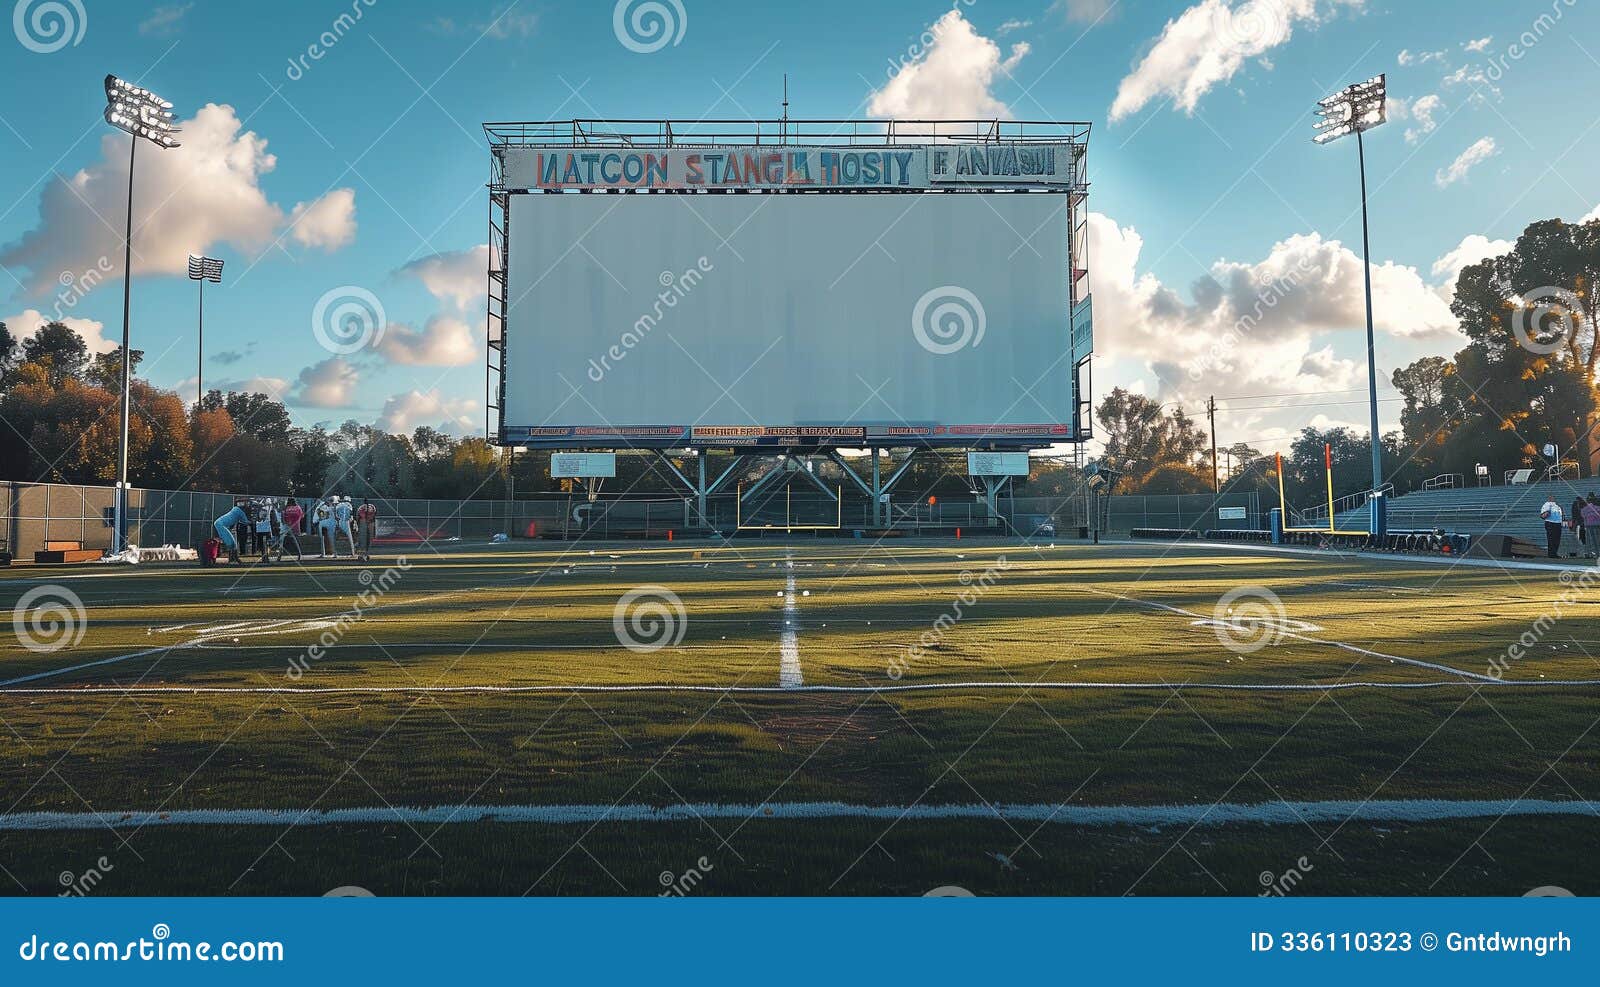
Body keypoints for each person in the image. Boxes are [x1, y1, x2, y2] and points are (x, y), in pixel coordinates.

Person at [213, 500, 250, 565]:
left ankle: (234, 559)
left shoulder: (235, 509)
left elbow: (239, 520)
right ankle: (233, 559)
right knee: (231, 542)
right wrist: (254, 522)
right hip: (221, 525)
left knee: (233, 543)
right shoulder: (241, 512)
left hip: (219, 523)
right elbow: (246, 522)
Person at [1540, 495, 1564, 559]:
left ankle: (1554, 553)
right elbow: (1542, 515)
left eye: (1553, 497)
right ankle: (1551, 554)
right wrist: (1546, 513)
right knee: (1551, 539)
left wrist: (1562, 522)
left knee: (1557, 539)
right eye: (1551, 497)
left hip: (1558, 523)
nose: (1552, 498)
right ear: (1549, 498)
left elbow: (1561, 515)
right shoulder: (1546, 504)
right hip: (1550, 523)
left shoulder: (1558, 506)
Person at [1584, 495, 1600, 564]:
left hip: (1589, 525)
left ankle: (1589, 553)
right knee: (1596, 540)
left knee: (1589, 540)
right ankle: (1597, 553)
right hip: (1595, 525)